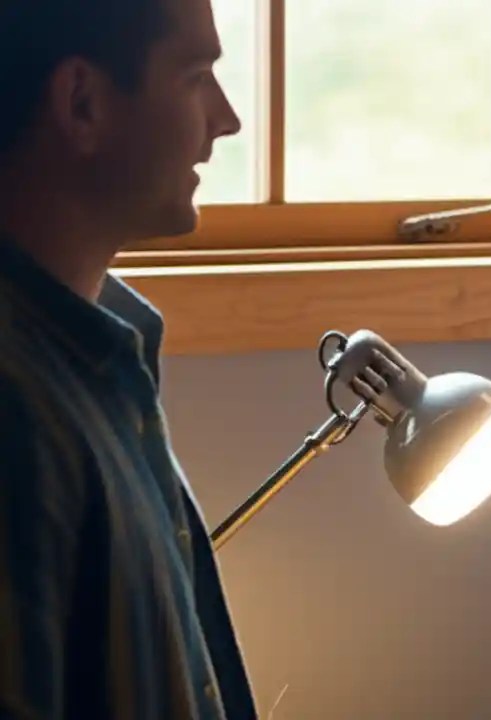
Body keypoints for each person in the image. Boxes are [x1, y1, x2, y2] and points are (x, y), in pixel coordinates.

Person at [0, 0, 253, 717]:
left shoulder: (103, 355)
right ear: (82, 102)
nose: (226, 118)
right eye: (195, 75)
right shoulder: (16, 412)